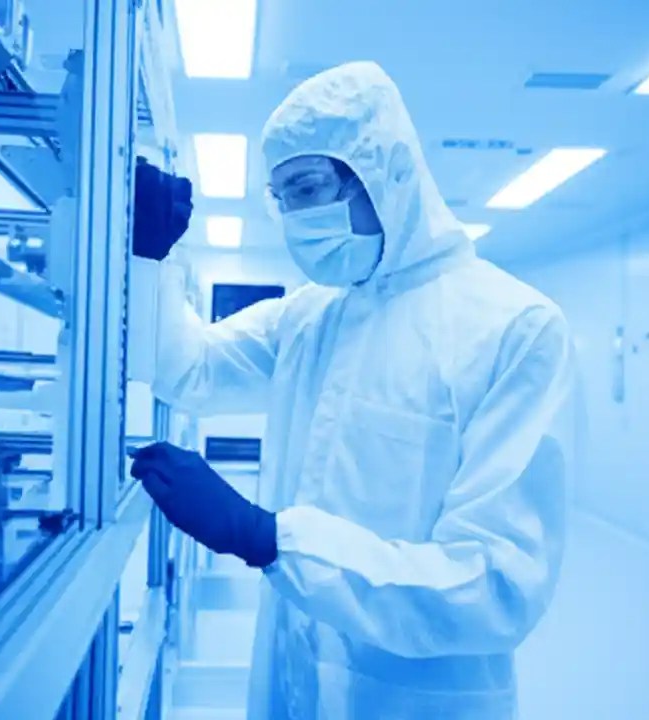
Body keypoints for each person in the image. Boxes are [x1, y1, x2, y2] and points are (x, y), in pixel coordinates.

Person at [129, 61, 577, 720]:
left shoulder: (515, 328)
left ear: (385, 170)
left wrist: (269, 538)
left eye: (309, 187)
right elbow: (188, 369)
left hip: (412, 703)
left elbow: (498, 585)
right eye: (282, 198)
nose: (295, 217)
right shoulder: (313, 314)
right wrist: (147, 259)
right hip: (290, 682)